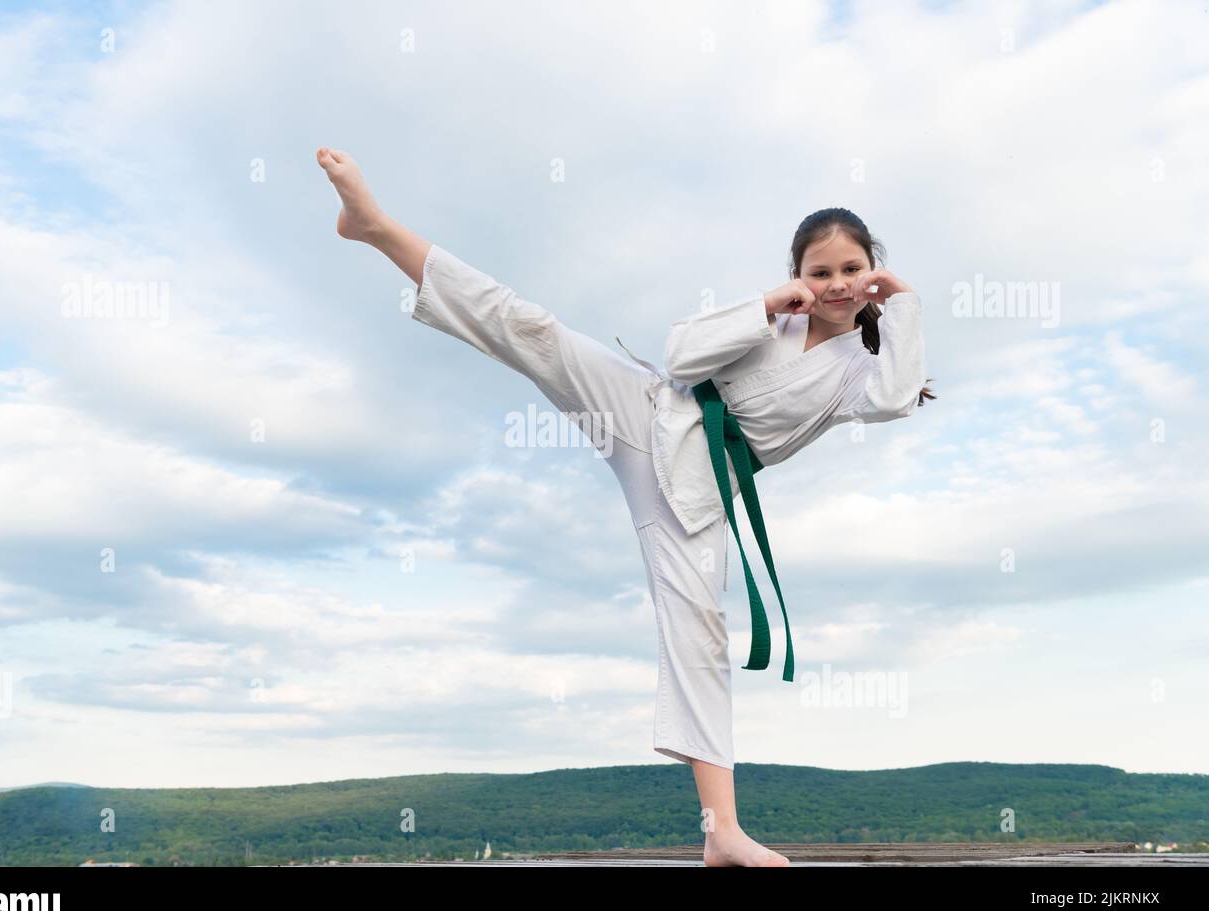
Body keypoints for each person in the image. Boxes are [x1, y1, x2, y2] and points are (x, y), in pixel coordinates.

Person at [316, 146, 936, 867]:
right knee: (531, 328)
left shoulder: (862, 370)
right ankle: (375, 227)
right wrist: (765, 306)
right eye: (819, 271)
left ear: (873, 274)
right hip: (646, 411)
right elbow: (680, 357)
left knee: (700, 633)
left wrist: (906, 303)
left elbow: (896, 398)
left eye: (851, 270)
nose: (836, 283)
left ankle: (721, 832)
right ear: (798, 274)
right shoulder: (773, 319)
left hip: (696, 487)